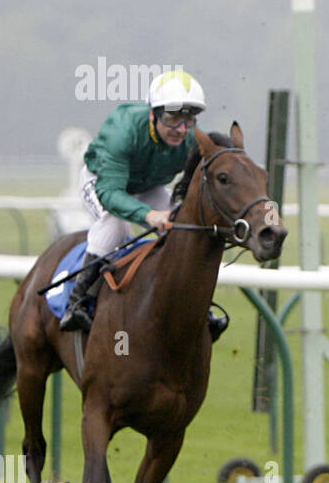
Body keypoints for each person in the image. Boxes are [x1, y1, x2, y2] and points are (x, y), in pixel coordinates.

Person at [60, 69, 226, 338]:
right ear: (153, 114)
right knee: (116, 226)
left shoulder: (191, 139)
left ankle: (200, 307)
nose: (181, 130)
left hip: (148, 186)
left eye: (188, 121)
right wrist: (148, 215)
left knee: (181, 229)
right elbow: (112, 193)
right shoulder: (123, 131)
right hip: (102, 181)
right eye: (172, 119)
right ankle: (76, 302)